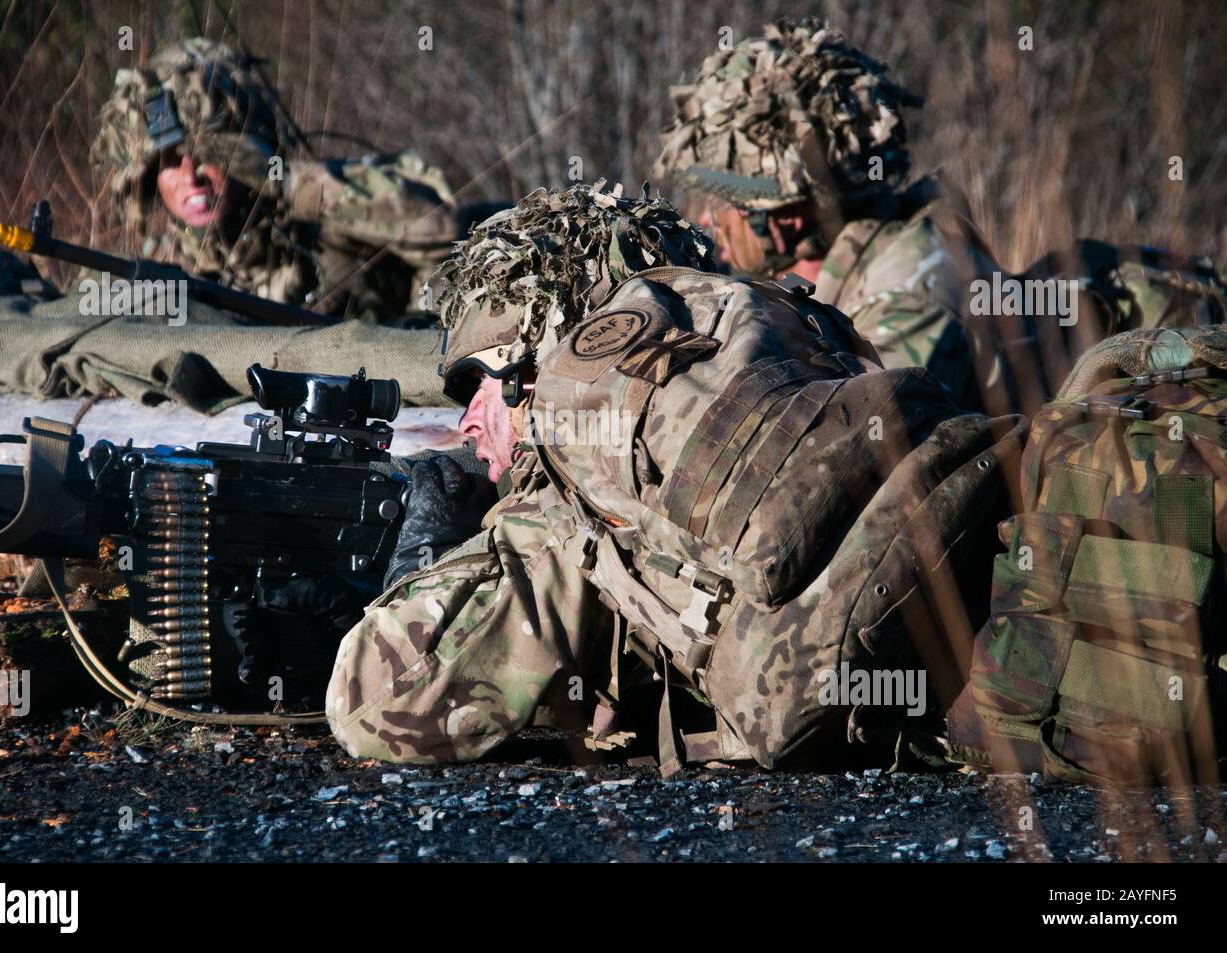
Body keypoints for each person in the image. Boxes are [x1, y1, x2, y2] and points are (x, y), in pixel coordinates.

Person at [322, 183, 1024, 773]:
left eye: (475, 381)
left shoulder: (584, 471)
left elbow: (373, 703)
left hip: (1008, 683)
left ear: (530, 371)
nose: (469, 419)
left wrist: (431, 546)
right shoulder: (771, 331)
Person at [653, 16, 1008, 414]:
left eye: (722, 203)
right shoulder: (849, 271)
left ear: (781, 216)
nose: (709, 220)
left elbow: (856, 449)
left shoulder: (910, 290)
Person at [92, 37, 460, 324]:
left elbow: (441, 227)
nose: (191, 176)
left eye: (208, 156)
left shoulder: (319, 208)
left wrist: (282, 181)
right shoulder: (164, 263)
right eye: (169, 162)